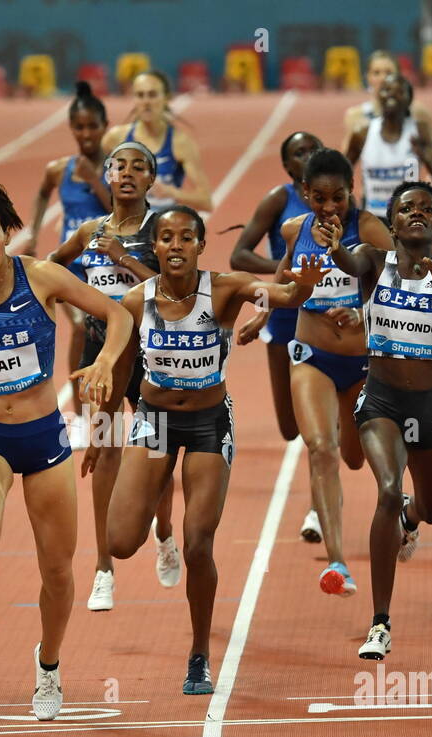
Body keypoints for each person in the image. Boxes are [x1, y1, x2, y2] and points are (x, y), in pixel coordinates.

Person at [94, 205, 331, 694]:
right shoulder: (135, 301)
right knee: (119, 542)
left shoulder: (224, 288)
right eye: (166, 238)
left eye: (186, 237)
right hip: (155, 420)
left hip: (206, 423)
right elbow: (120, 375)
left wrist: (304, 283)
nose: (176, 245)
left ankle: (199, 655)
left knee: (199, 541)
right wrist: (101, 432)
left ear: (201, 246)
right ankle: (160, 516)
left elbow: (284, 294)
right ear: (154, 247)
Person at [0, 182, 132, 720]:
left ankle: (49, 666)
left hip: (43, 437)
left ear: (6, 233)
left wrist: (106, 361)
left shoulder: (39, 277)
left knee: (59, 572)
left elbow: (120, 316)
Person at [326, 181, 432, 659]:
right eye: (405, 209)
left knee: (430, 509)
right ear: (392, 223)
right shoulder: (375, 262)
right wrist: (336, 251)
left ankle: (410, 517)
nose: (416, 214)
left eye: (426, 209)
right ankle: (380, 622)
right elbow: (350, 262)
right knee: (386, 488)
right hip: (381, 402)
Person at [238, 149, 393, 596]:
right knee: (320, 449)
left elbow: (399, 286)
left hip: (363, 362)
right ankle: (338, 563)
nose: (328, 207)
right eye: (319, 197)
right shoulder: (294, 229)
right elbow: (288, 283)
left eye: (338, 197)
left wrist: (364, 312)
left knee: (354, 457)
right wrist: (262, 313)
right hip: (310, 355)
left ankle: (399, 509)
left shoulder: (369, 229)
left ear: (351, 193)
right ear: (305, 194)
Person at [50, 141, 180, 611]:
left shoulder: (164, 229)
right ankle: (104, 567)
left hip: (153, 355)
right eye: (118, 166)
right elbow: (48, 269)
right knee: (103, 450)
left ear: (151, 179)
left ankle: (164, 532)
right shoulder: (88, 231)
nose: (127, 173)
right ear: (106, 176)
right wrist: (54, 298)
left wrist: (124, 257)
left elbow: (174, 292)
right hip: (99, 352)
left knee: (157, 453)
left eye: (138, 166)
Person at [228, 130, 325, 542]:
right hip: (284, 319)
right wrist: (284, 271)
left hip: (326, 322)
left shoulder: (337, 201)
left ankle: (320, 507)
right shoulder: (277, 200)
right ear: (288, 166)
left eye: (312, 149)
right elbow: (238, 255)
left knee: (320, 428)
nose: (307, 156)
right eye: (298, 153)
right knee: (290, 427)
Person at [22, 81, 113, 435]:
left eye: (93, 126)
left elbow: (118, 210)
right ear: (72, 128)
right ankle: (79, 418)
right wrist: (32, 231)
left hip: (106, 268)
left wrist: (97, 182)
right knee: (78, 328)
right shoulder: (58, 169)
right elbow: (43, 194)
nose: (86, 133)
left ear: (105, 127)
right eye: (80, 126)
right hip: (70, 268)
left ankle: (111, 410)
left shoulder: (116, 169)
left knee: (109, 337)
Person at [103, 70, 213, 213]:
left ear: (166, 98)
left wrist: (171, 193)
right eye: (140, 95)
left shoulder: (180, 143)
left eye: (152, 95)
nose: (146, 102)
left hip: (160, 231)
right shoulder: (116, 138)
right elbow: (96, 182)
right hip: (126, 231)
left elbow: (206, 202)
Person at [347, 73, 432, 220]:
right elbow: (340, 175)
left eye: (399, 91)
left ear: (409, 99)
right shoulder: (363, 133)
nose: (392, 95)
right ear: (379, 96)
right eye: (387, 89)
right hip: (374, 220)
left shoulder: (419, 131)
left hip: (408, 221)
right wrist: (350, 205)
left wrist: (425, 157)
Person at [342, 51, 432, 156]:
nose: (382, 79)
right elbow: (346, 159)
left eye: (388, 73)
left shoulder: (416, 111)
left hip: (410, 172)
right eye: (376, 73)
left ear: (398, 76)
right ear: (368, 77)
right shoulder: (356, 116)